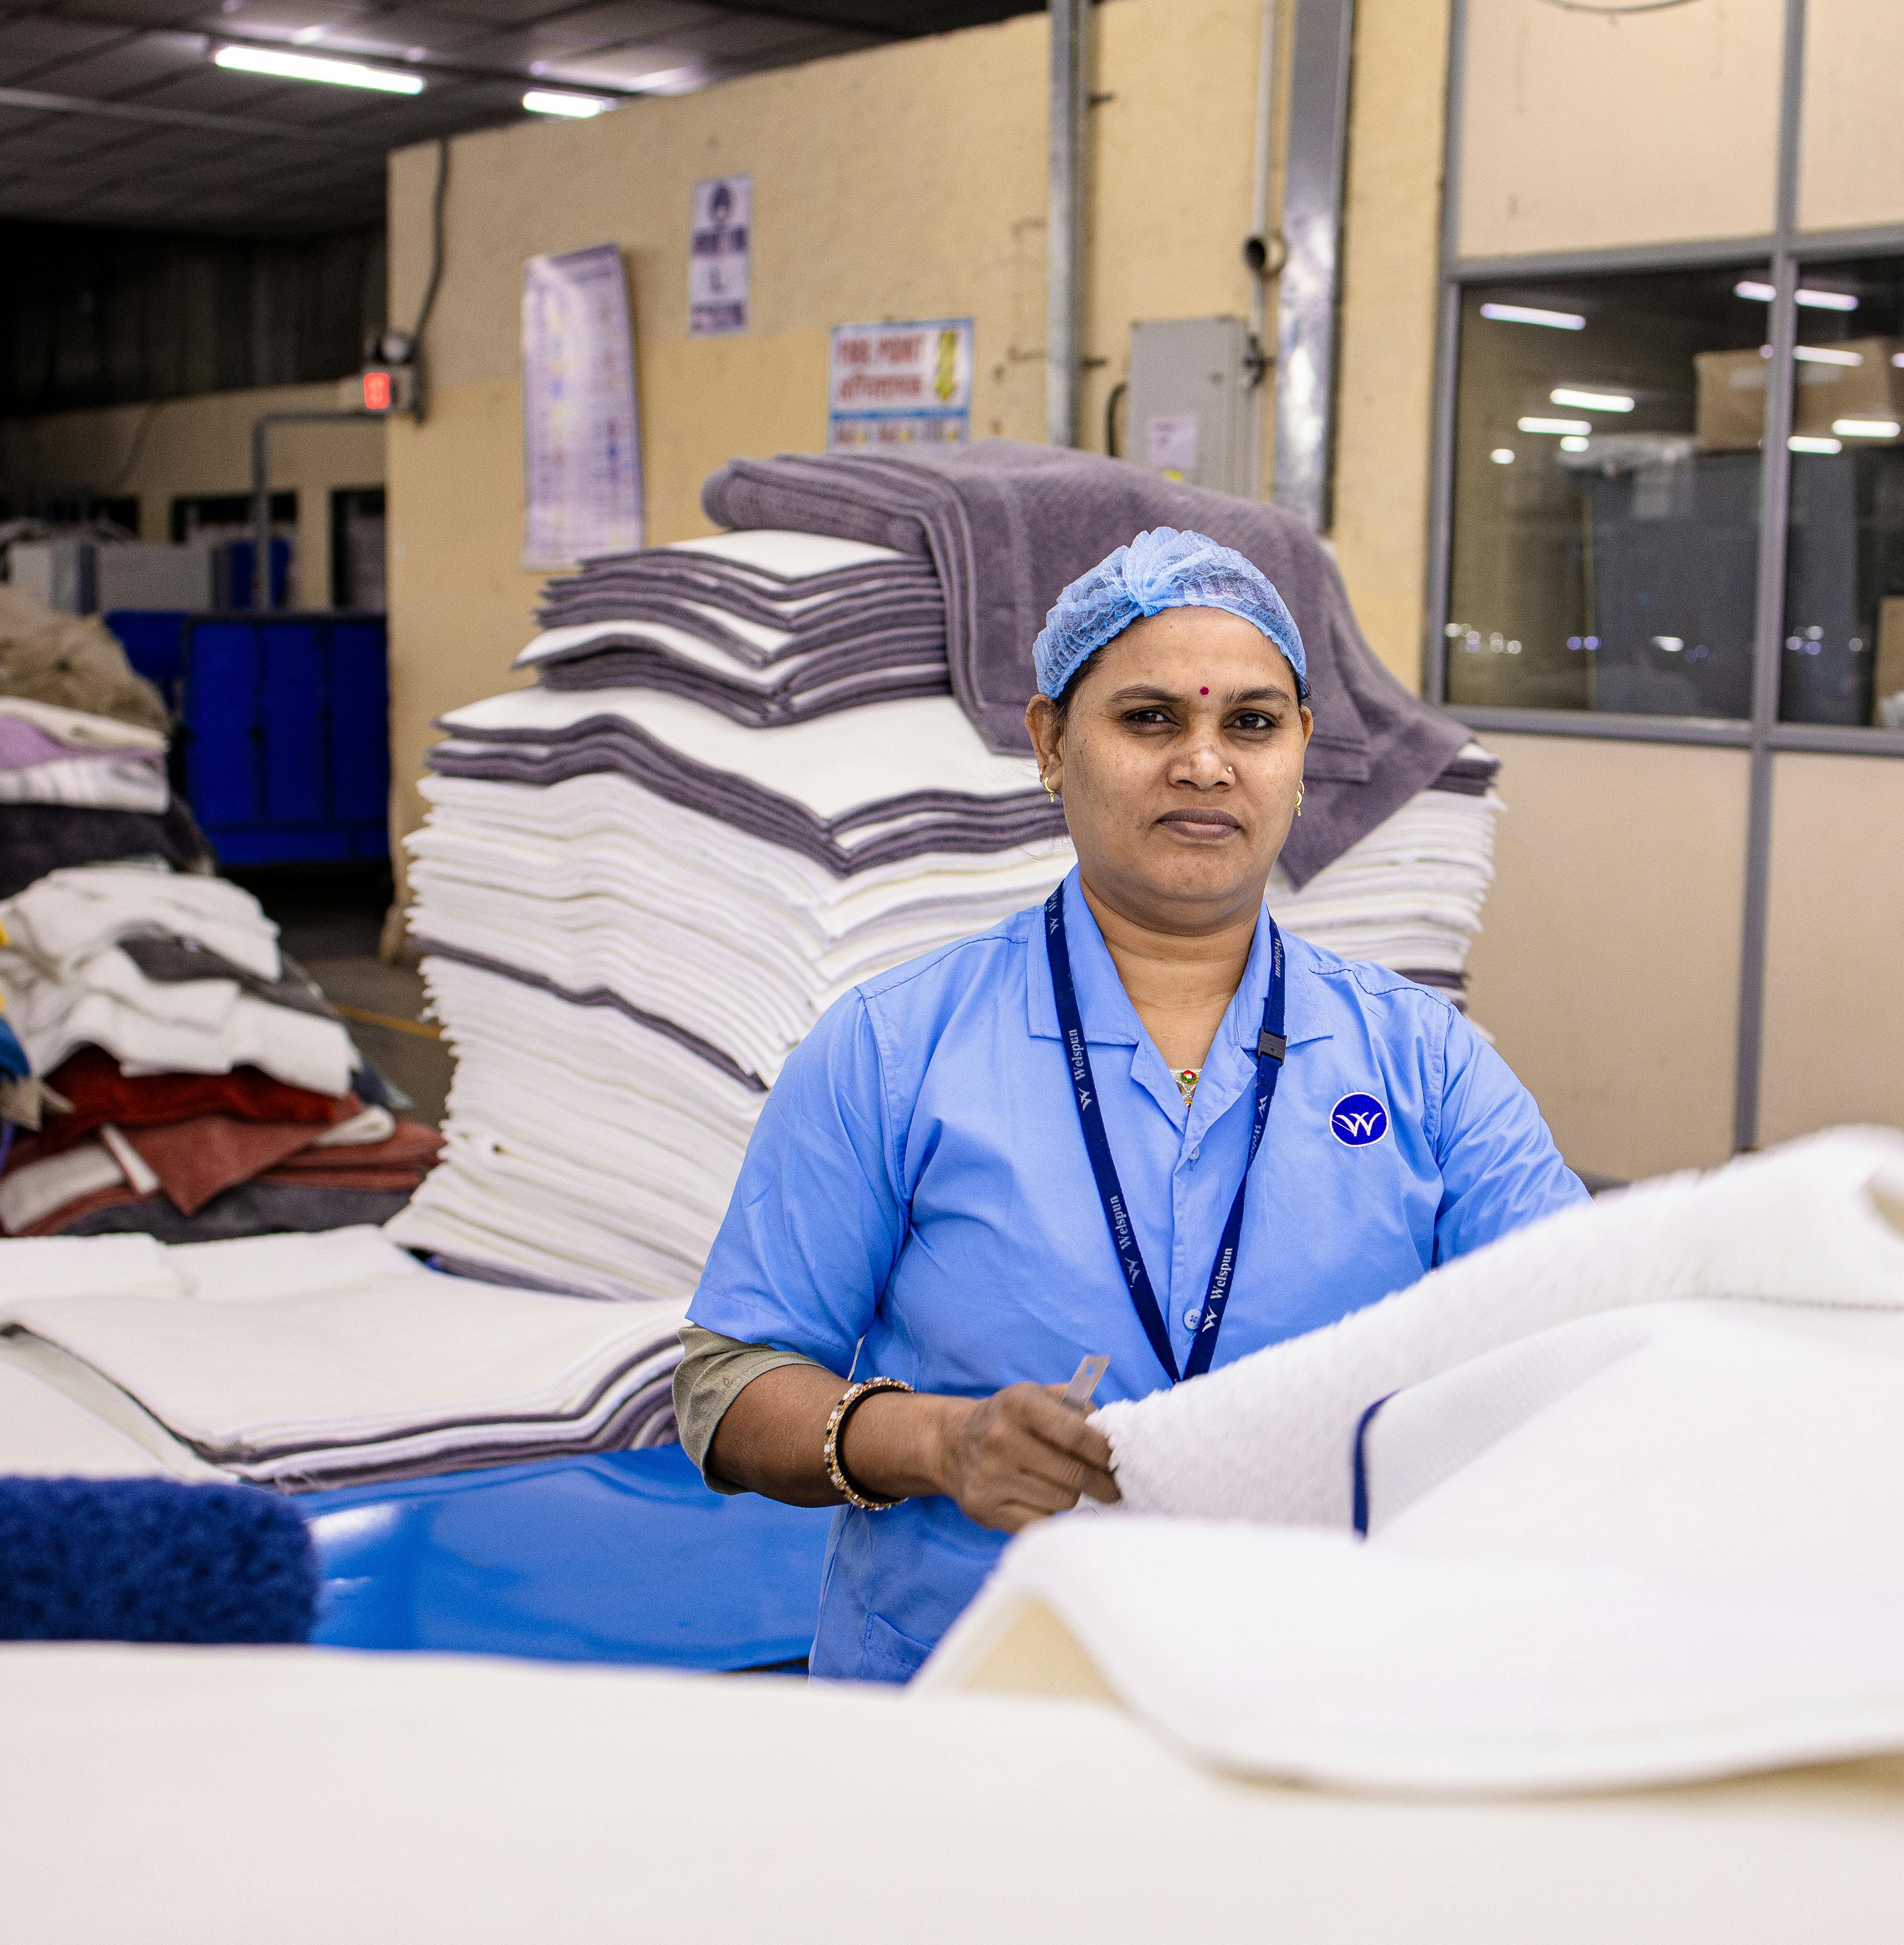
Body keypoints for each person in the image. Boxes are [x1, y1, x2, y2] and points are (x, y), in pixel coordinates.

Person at [679, 526, 1586, 1681]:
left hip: (1321, 1685)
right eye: (1150, 719)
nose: (1204, 763)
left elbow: (1577, 1330)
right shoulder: (896, 1048)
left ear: (1301, 751)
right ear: (1052, 743)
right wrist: (936, 1441)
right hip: (971, 1688)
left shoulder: (1425, 1064)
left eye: (1251, 724)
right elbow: (727, 1386)